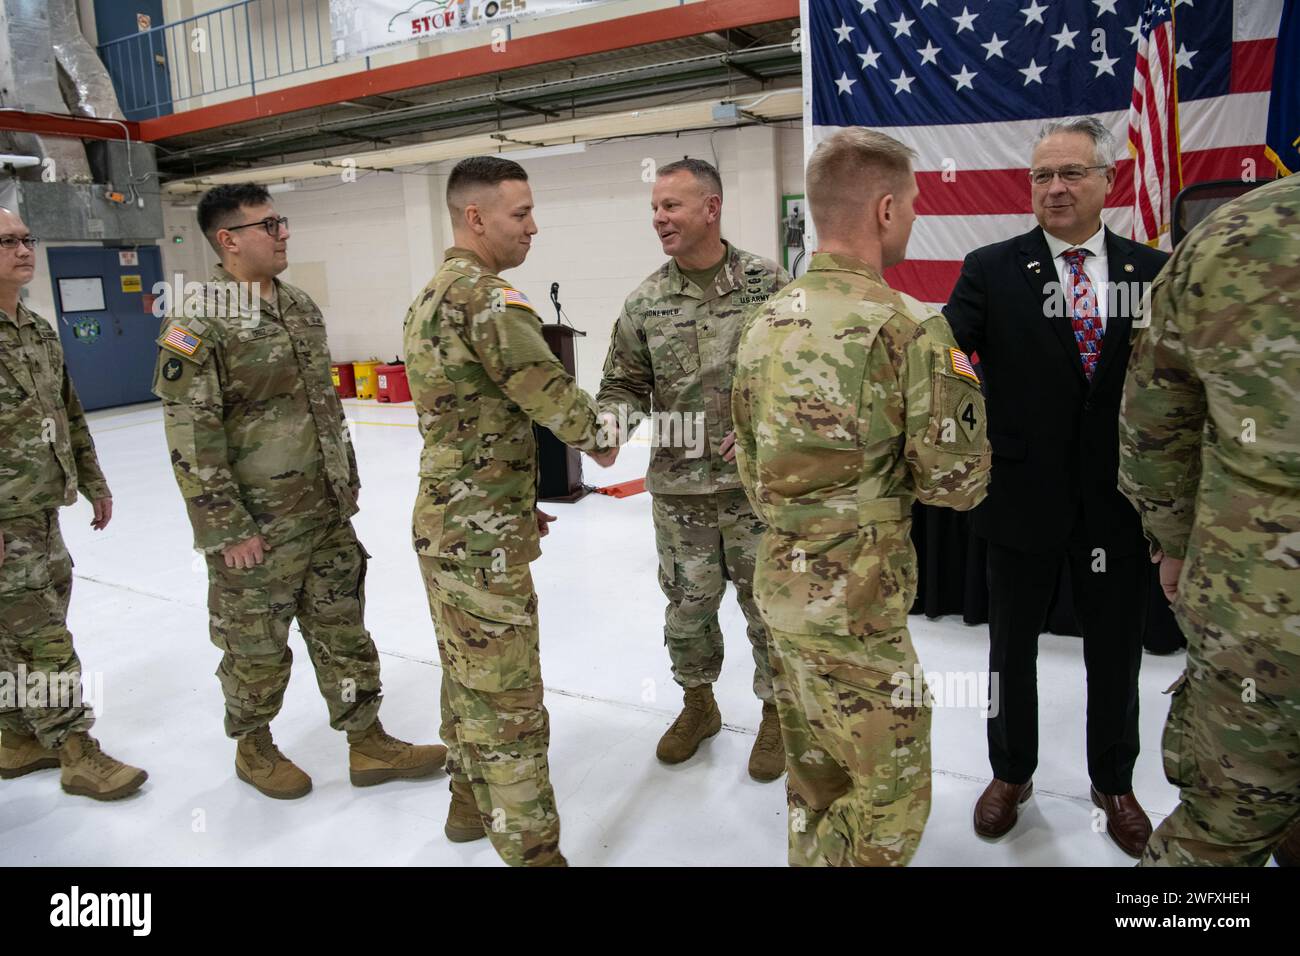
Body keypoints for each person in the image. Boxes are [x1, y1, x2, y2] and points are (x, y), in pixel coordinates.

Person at [732, 128, 990, 866]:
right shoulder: (910, 328)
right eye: (909, 205)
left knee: (815, 778)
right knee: (891, 797)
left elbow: (752, 471)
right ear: (883, 210)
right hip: (861, 608)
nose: (911, 218)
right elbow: (958, 484)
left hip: (781, 593)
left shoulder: (762, 324)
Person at [153, 183, 445, 800]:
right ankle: (253, 748)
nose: (283, 233)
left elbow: (324, 410)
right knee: (255, 643)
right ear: (227, 240)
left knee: (344, 631)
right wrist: (225, 526)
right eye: (268, 225)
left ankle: (367, 740)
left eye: (282, 221)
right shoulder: (198, 318)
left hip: (326, 511)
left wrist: (347, 486)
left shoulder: (300, 306)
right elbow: (191, 432)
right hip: (256, 523)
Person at [943, 117, 1168, 857]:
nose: (1056, 187)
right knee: (1011, 652)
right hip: (1019, 498)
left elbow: (1177, 380)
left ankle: (1114, 782)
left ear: (1109, 181)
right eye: (1042, 176)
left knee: (1116, 653)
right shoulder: (990, 268)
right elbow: (941, 357)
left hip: (1118, 503)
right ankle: (1011, 774)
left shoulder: (1151, 270)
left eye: (1072, 173)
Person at [403, 156, 615, 867]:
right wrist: (625, 420)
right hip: (479, 541)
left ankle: (468, 802)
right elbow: (568, 413)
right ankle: (532, 850)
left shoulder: (430, 296)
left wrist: (515, 501)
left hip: (450, 525)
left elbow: (467, 422)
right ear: (475, 218)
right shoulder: (490, 301)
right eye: (519, 214)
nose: (532, 227)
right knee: (510, 701)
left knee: (465, 672)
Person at [1119, 173, 1299, 867]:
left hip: (1254, 613)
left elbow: (1152, 430)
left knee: (1220, 830)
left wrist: (1171, 543)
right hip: (1250, 615)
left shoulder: (1225, 237)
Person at [596, 158, 790, 779]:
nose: (659, 219)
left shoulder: (770, 284)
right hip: (681, 493)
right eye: (655, 208)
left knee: (768, 609)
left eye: (672, 206)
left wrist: (763, 425)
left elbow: (797, 377)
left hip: (757, 492)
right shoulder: (645, 302)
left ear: (711, 208)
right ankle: (698, 704)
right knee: (687, 607)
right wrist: (607, 427)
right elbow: (624, 384)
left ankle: (777, 715)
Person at [0, 206, 146, 800]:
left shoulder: (35, 329)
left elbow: (67, 412)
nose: (23, 249)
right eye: (7, 241)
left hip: (40, 510)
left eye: (27, 239)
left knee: (25, 629)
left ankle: (14, 735)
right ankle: (75, 749)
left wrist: (94, 480)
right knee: (45, 640)